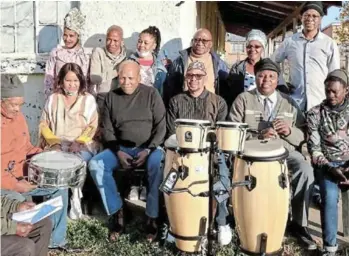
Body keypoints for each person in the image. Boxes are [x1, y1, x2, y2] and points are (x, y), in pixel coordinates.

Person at [228, 58, 316, 250]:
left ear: (277, 80)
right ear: (255, 78)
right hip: (252, 157)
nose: (265, 80)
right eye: (261, 76)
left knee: (305, 169)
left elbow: (303, 136)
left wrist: (289, 131)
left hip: (285, 154)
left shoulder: (289, 102)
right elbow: (233, 132)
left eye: (271, 76)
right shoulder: (244, 99)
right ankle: (243, 222)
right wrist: (258, 135)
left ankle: (299, 224)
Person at [88, 60, 166, 242]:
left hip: (148, 149)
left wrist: (148, 150)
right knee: (95, 164)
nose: (126, 82)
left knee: (157, 165)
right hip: (120, 148)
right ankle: (118, 213)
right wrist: (117, 151)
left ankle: (152, 217)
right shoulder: (111, 97)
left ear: (139, 78)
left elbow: (161, 127)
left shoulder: (151, 94)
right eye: (122, 77)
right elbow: (107, 129)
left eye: (131, 77)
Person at [166, 60, 232, 245]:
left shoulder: (218, 102)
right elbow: (172, 133)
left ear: (205, 78)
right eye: (190, 75)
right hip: (181, 153)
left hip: (210, 154)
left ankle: (221, 222)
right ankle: (173, 223)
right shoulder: (176, 101)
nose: (193, 79)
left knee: (222, 179)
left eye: (198, 76)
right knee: (168, 181)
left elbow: (219, 134)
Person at [1, 74, 69, 249]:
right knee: (17, 199)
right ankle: (19, 245)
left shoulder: (20, 118)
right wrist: (16, 186)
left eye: (20, 104)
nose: (17, 109)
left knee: (59, 186)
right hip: (5, 185)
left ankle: (55, 241)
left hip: (24, 175)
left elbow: (26, 148)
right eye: (13, 105)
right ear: (1, 101)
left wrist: (45, 155)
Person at [39, 63, 99, 220]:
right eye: (68, 80)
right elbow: (44, 124)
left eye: (76, 81)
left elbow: (93, 126)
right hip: (56, 144)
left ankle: (75, 204)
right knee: (51, 162)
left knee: (78, 163)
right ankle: (54, 207)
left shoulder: (88, 100)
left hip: (81, 145)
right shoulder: (53, 99)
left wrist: (78, 142)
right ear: (61, 81)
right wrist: (54, 143)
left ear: (81, 81)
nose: (72, 85)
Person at [307, 69, 349, 256]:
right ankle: (330, 248)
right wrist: (330, 168)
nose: (331, 95)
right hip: (327, 166)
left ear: (346, 90)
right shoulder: (315, 113)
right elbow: (314, 149)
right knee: (329, 198)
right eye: (328, 91)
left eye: (335, 92)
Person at [272, 1, 340, 111]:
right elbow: (272, 61)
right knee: (293, 128)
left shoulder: (329, 43)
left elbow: (335, 74)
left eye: (315, 16)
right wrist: (281, 83)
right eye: (307, 15)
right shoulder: (290, 42)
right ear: (301, 18)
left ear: (320, 19)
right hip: (295, 102)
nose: (310, 18)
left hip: (320, 102)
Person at [164, 28, 229, 107]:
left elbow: (225, 91)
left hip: (210, 109)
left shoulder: (219, 64)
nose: (199, 43)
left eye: (204, 41)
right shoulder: (179, 62)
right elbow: (170, 88)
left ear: (210, 44)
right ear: (192, 42)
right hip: (184, 108)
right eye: (196, 40)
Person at [227, 29, 287, 109]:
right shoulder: (237, 68)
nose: (252, 49)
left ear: (263, 48)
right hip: (242, 109)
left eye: (257, 46)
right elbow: (230, 92)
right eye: (249, 46)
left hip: (267, 109)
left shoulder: (272, 67)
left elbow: (282, 90)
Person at [44, 8, 89, 99]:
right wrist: (51, 100)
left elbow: (88, 82)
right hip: (60, 98)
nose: (67, 39)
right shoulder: (56, 53)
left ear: (78, 36)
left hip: (80, 100)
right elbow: (49, 80)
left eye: (71, 36)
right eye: (65, 35)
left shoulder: (85, 56)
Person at [90, 25, 132, 110]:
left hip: (123, 97)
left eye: (115, 40)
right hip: (104, 97)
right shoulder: (98, 53)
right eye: (109, 39)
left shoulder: (129, 55)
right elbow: (94, 78)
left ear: (122, 41)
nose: (111, 43)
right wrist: (117, 70)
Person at [128, 26, 167, 96]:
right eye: (140, 41)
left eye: (146, 43)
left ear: (154, 46)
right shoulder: (129, 61)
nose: (141, 45)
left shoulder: (160, 67)